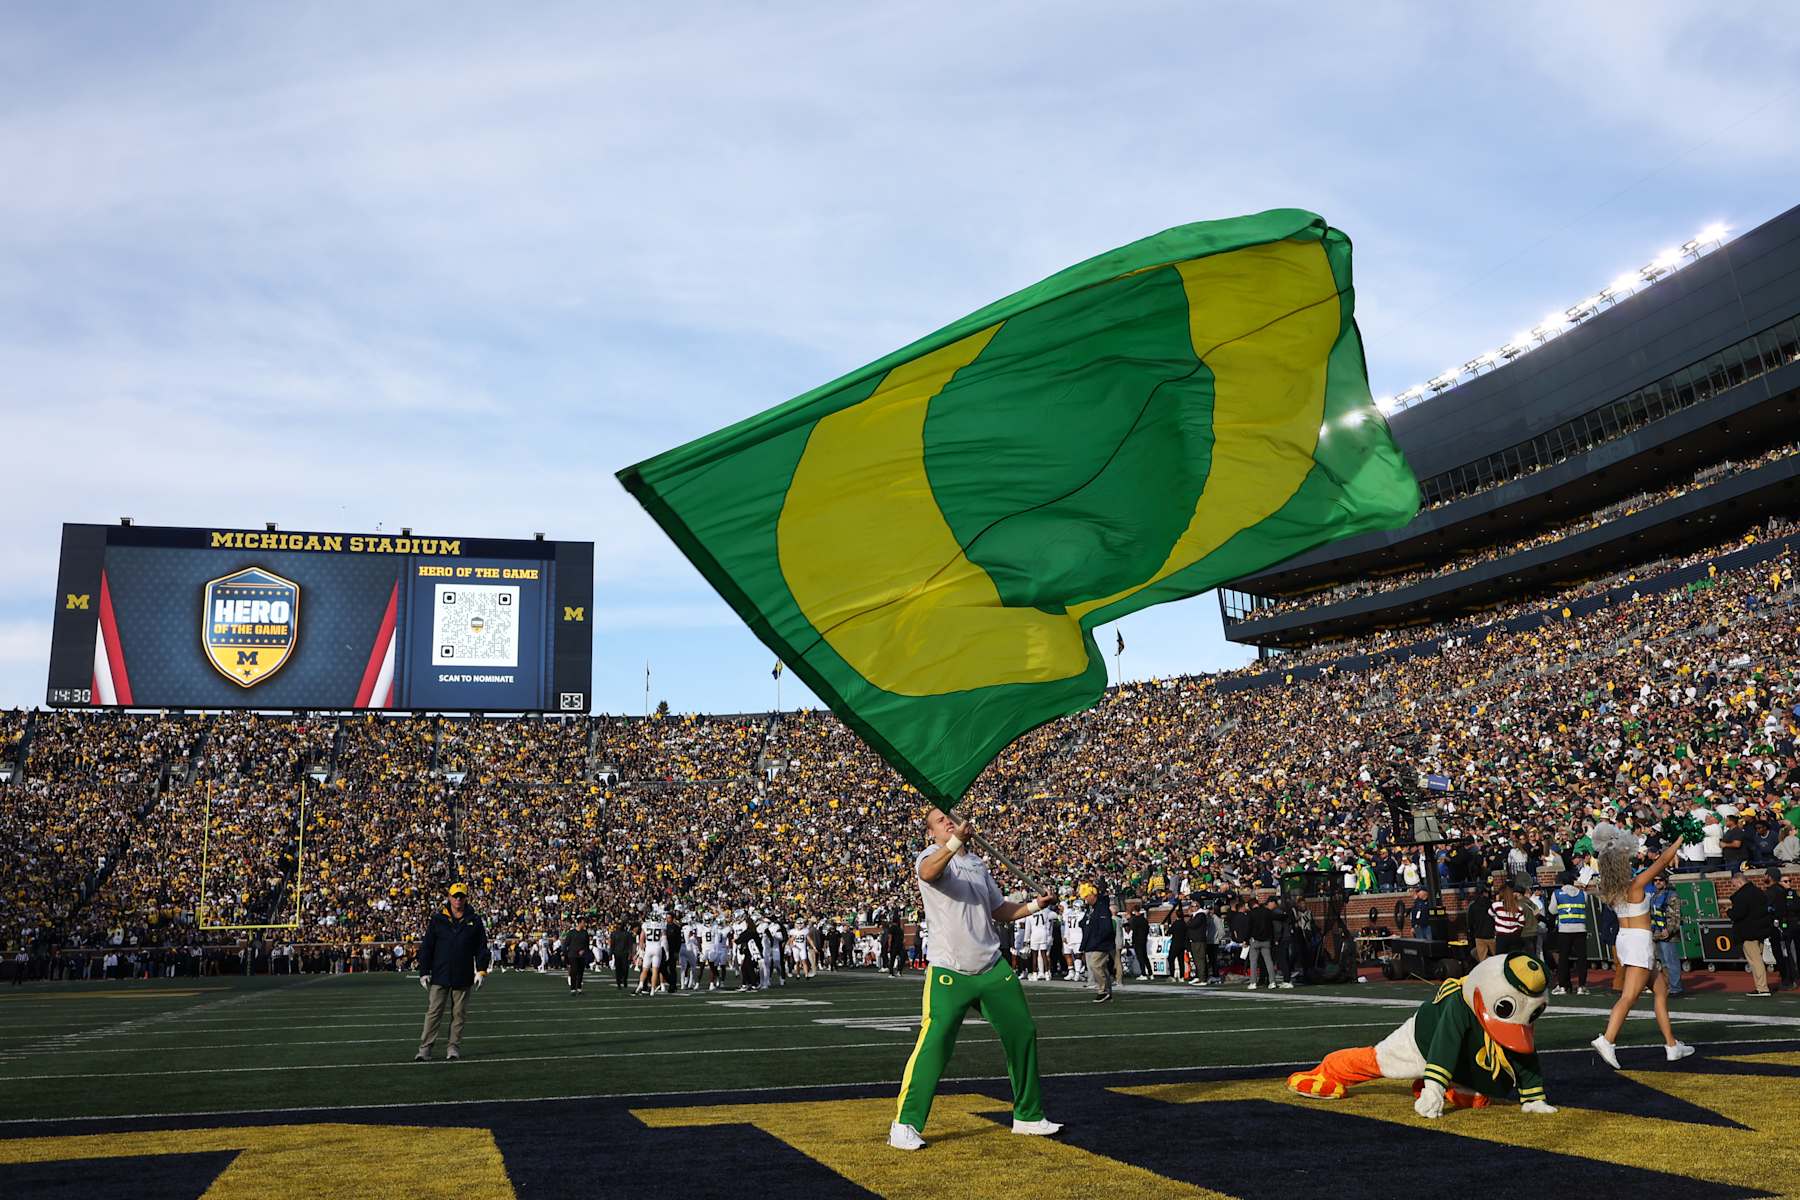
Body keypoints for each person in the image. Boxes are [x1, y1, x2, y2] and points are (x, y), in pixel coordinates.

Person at [889, 808, 1060, 1151]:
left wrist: (1033, 906)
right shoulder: (930, 856)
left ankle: (1027, 1115)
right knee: (935, 1044)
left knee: (1022, 1033)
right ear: (931, 833)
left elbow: (998, 910)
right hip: (950, 970)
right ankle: (904, 1124)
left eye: (949, 817)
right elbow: (928, 872)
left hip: (992, 967)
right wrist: (953, 843)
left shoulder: (979, 865)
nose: (947, 822)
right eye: (940, 821)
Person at [1590, 823, 1693, 1067]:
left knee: (1660, 990)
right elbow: (1662, 862)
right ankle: (1607, 1039)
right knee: (1629, 997)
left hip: (1626, 939)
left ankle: (1671, 1045)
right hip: (1638, 940)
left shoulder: (1611, 890)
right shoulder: (1635, 885)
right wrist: (1678, 842)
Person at [414, 882, 491, 1062]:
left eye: (461, 896)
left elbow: (481, 947)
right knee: (433, 1012)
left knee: (459, 1014)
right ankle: (425, 1049)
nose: (458, 899)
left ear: (466, 898)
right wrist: (424, 970)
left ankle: (453, 1047)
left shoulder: (475, 920)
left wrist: (481, 970)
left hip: (463, 974)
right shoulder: (438, 919)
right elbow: (427, 947)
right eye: (455, 896)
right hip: (440, 973)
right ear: (449, 897)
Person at [1728, 868, 1777, 997]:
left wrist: (1729, 912)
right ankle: (1761, 987)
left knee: (1755, 961)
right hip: (1761, 930)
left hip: (1748, 932)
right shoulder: (1759, 892)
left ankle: (1762, 988)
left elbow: (1738, 914)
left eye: (1734, 885)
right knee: (1758, 959)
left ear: (1739, 882)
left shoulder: (1742, 895)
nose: (1734, 888)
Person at [1549, 872, 1590, 995]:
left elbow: (1552, 910)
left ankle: (1563, 986)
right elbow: (1585, 906)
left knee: (1563, 959)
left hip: (1564, 930)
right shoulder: (1583, 894)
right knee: (1582, 959)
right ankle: (1581, 986)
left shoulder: (1557, 894)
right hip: (1580, 929)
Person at [1079, 880, 1117, 1002]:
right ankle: (1108, 992)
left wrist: (1099, 939)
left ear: (1092, 895)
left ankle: (1103, 990)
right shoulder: (1091, 909)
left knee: (1094, 964)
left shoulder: (1102, 908)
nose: (1085, 900)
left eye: (1086, 897)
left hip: (1102, 942)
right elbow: (1085, 922)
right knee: (1102, 967)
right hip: (1094, 941)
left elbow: (1105, 927)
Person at [563, 919, 590, 995]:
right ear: (579, 923)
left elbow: (587, 944)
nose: (584, 924)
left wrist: (584, 950)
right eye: (583, 922)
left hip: (582, 955)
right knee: (574, 971)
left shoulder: (585, 933)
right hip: (573, 955)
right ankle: (572, 988)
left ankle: (579, 988)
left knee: (580, 972)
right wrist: (565, 954)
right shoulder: (571, 933)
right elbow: (566, 944)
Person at [609, 919, 632, 990]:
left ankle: (624, 979)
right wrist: (610, 954)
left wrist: (630, 953)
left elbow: (630, 944)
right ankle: (618, 983)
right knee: (618, 969)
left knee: (625, 968)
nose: (620, 926)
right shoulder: (613, 934)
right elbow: (612, 944)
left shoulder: (627, 934)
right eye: (619, 924)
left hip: (625, 953)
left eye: (621, 924)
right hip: (617, 953)